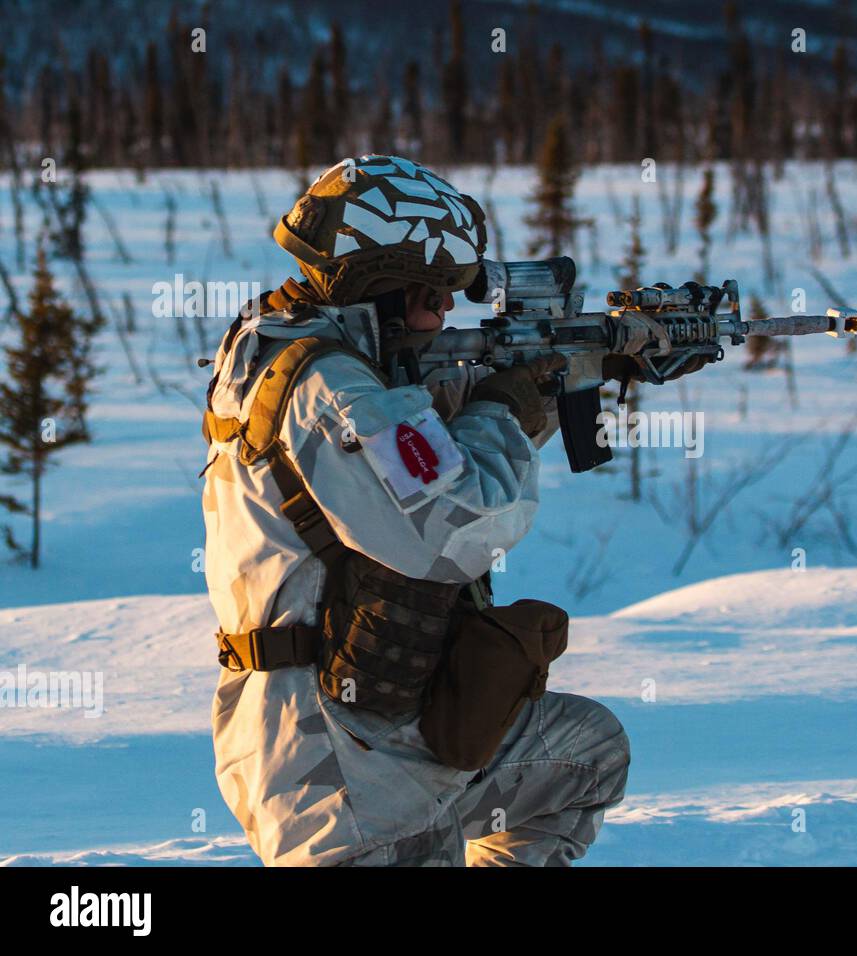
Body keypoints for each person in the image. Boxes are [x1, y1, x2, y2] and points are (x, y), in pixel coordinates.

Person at [201, 155, 643, 866]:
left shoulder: (303, 344)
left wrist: (586, 367)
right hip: (338, 770)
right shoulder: (332, 388)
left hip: (387, 720)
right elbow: (453, 529)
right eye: (433, 298)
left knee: (587, 755)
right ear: (380, 287)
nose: (441, 321)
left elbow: (424, 448)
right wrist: (506, 406)